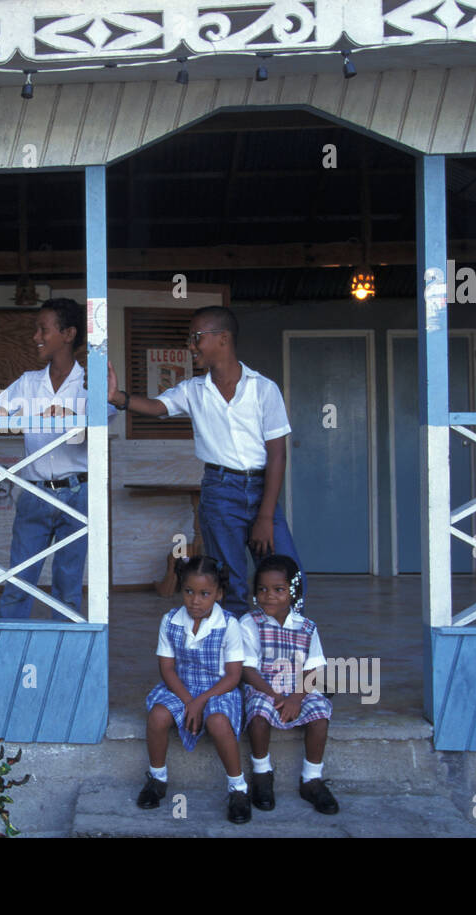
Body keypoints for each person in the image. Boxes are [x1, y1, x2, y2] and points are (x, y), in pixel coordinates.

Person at [106, 305, 306, 616]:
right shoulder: (193, 390)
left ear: (223, 339)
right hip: (219, 491)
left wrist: (265, 516)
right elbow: (158, 406)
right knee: (230, 581)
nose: (191, 346)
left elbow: (277, 454)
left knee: (287, 577)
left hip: (261, 491)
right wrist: (119, 397)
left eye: (196, 338)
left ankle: (283, 649)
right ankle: (238, 659)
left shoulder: (263, 389)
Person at [0, 298, 115, 621]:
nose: (35, 336)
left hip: (79, 493)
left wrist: (71, 417)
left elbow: (99, 427)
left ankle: (64, 655)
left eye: (44, 329)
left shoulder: (90, 384)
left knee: (68, 585)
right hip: (35, 492)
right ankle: (10, 649)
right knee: (19, 580)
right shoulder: (28, 383)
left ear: (68, 334)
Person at [137, 555, 252, 824]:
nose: (195, 600)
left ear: (219, 594)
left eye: (204, 594)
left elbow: (234, 676)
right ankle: (157, 778)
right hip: (181, 687)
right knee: (158, 716)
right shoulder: (171, 621)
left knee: (218, 722)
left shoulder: (228, 624)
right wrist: (189, 700)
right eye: (189, 592)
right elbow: (167, 669)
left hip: (219, 689)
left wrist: (200, 702)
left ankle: (238, 789)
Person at [239, 554, 338, 815]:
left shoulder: (306, 627)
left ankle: (311, 778)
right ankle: (262, 773)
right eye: (262, 589)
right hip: (263, 688)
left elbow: (314, 669)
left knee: (319, 716)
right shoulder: (250, 623)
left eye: (278, 590)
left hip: (298, 690)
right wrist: (272, 695)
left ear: (294, 593)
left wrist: (295, 698)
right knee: (258, 715)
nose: (268, 596)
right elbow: (247, 669)